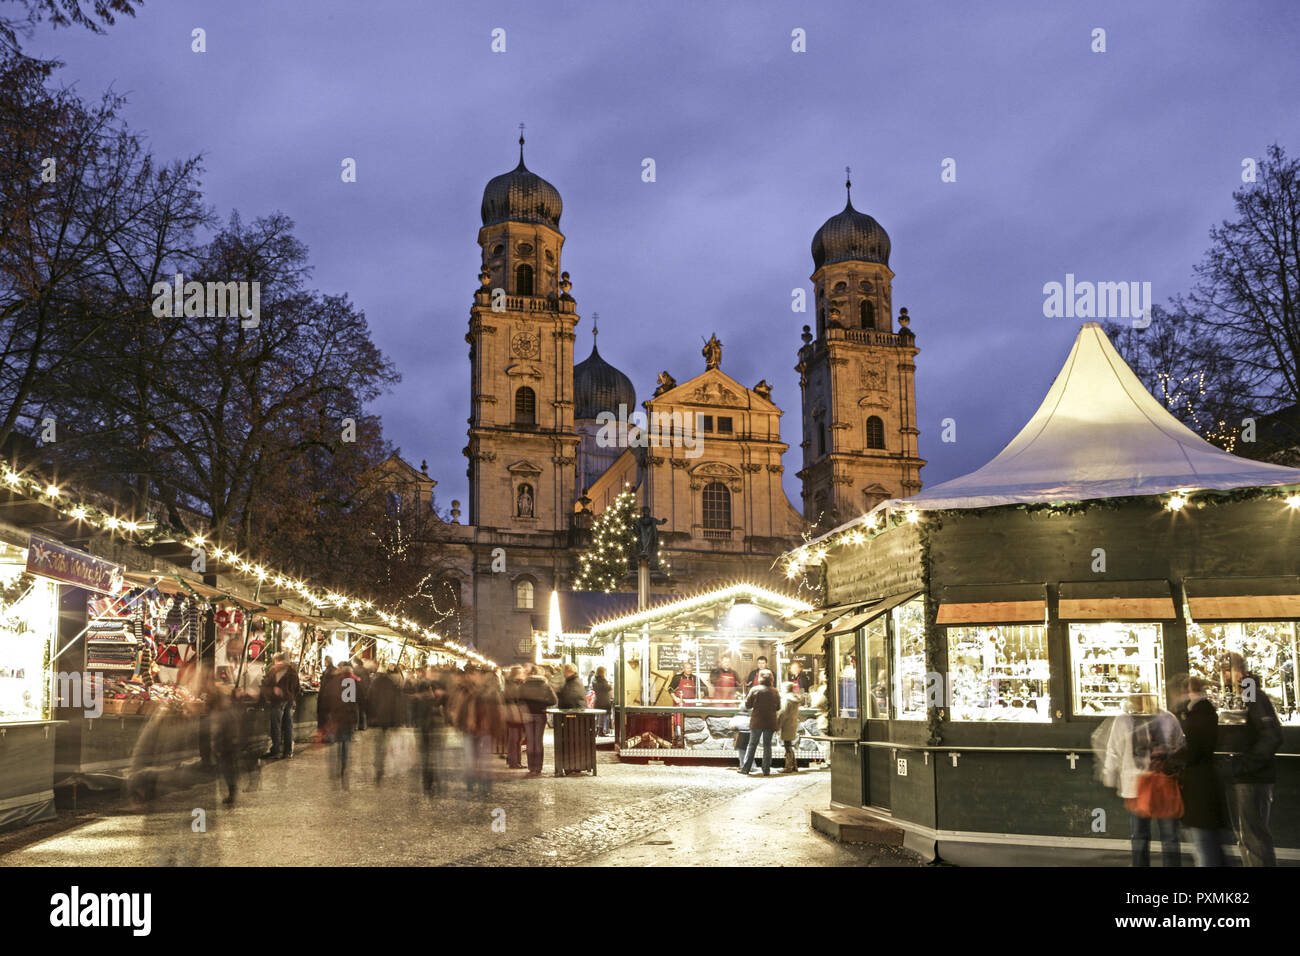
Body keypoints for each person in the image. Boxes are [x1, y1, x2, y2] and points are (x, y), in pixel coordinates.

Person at [1101, 694, 1184, 867]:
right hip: (1158, 784)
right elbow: (1180, 745)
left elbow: (1113, 750)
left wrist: (1110, 775)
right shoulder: (1166, 718)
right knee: (1164, 835)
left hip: (1140, 784)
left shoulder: (1125, 721)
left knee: (1142, 835)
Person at [1226, 652, 1282, 865]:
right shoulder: (1249, 692)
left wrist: (1245, 765)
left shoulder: (1250, 692)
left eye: (1224, 670)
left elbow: (1271, 736)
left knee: (1252, 836)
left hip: (1251, 776)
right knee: (1250, 836)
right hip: (1250, 773)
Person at [1173, 675, 1230, 866]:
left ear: (1187, 692)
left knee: (1205, 848)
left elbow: (1194, 751)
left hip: (1199, 790)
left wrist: (1172, 755)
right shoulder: (1204, 713)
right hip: (1205, 787)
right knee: (1211, 846)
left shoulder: (1198, 716)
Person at [322, 661, 360, 788]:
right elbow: (353, 703)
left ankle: (334, 767)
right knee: (344, 744)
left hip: (336, 717)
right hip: (346, 718)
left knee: (335, 743)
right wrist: (354, 719)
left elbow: (326, 698)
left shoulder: (335, 682)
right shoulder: (351, 683)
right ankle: (342, 766)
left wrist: (328, 714)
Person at [518, 664, 557, 776]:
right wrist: (542, 703)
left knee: (530, 740)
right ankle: (538, 767)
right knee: (538, 740)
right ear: (540, 673)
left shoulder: (524, 684)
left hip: (527, 714)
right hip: (540, 714)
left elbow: (518, 699)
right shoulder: (545, 685)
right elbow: (553, 701)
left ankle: (531, 767)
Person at [368, 665, 404, 783]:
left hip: (377, 719)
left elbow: (369, 700)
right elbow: (396, 703)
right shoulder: (391, 684)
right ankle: (382, 764)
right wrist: (396, 721)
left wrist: (370, 717)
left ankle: (379, 766)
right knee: (384, 742)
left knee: (378, 743)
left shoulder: (374, 684)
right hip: (387, 719)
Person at [740, 671, 782, 775]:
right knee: (767, 746)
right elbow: (778, 707)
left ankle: (746, 768)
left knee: (752, 744)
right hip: (770, 722)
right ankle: (766, 770)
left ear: (760, 678)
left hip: (757, 721)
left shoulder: (755, 689)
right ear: (771, 678)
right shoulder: (775, 691)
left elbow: (748, 705)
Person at [260, 652, 300, 760]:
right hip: (289, 700)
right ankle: (288, 751)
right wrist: (292, 696)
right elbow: (298, 687)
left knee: (276, 725)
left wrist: (272, 691)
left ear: (276, 660)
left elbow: (266, 684)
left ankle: (276, 750)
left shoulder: (274, 669)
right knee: (288, 726)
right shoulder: (292, 671)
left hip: (278, 701)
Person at [669, 660, 708, 745]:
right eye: (687, 668)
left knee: (690, 722)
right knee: (678, 722)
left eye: (690, 668)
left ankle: (690, 741)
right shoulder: (677, 677)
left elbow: (705, 688)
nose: (689, 670)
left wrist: (704, 698)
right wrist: (675, 698)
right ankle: (678, 739)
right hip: (680, 704)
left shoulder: (695, 678)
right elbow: (670, 690)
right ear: (683, 669)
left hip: (691, 704)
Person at [503, 666, 527, 768]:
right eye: (521, 672)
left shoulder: (514, 683)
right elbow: (514, 699)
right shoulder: (513, 685)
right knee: (515, 739)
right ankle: (514, 762)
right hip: (514, 714)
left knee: (516, 738)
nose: (523, 674)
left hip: (515, 714)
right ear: (517, 674)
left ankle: (515, 761)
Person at [778, 681, 802, 773]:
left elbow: (783, 713)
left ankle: (788, 767)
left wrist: (778, 724)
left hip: (786, 724)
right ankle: (794, 765)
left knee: (787, 745)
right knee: (789, 744)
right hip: (792, 723)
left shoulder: (786, 699)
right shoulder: (794, 698)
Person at [590, 666, 613, 736]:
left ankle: (596, 730)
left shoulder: (594, 680)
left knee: (598, 716)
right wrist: (610, 685)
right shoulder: (602, 680)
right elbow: (606, 688)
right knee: (602, 716)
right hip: (603, 700)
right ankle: (600, 731)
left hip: (598, 700)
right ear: (602, 672)